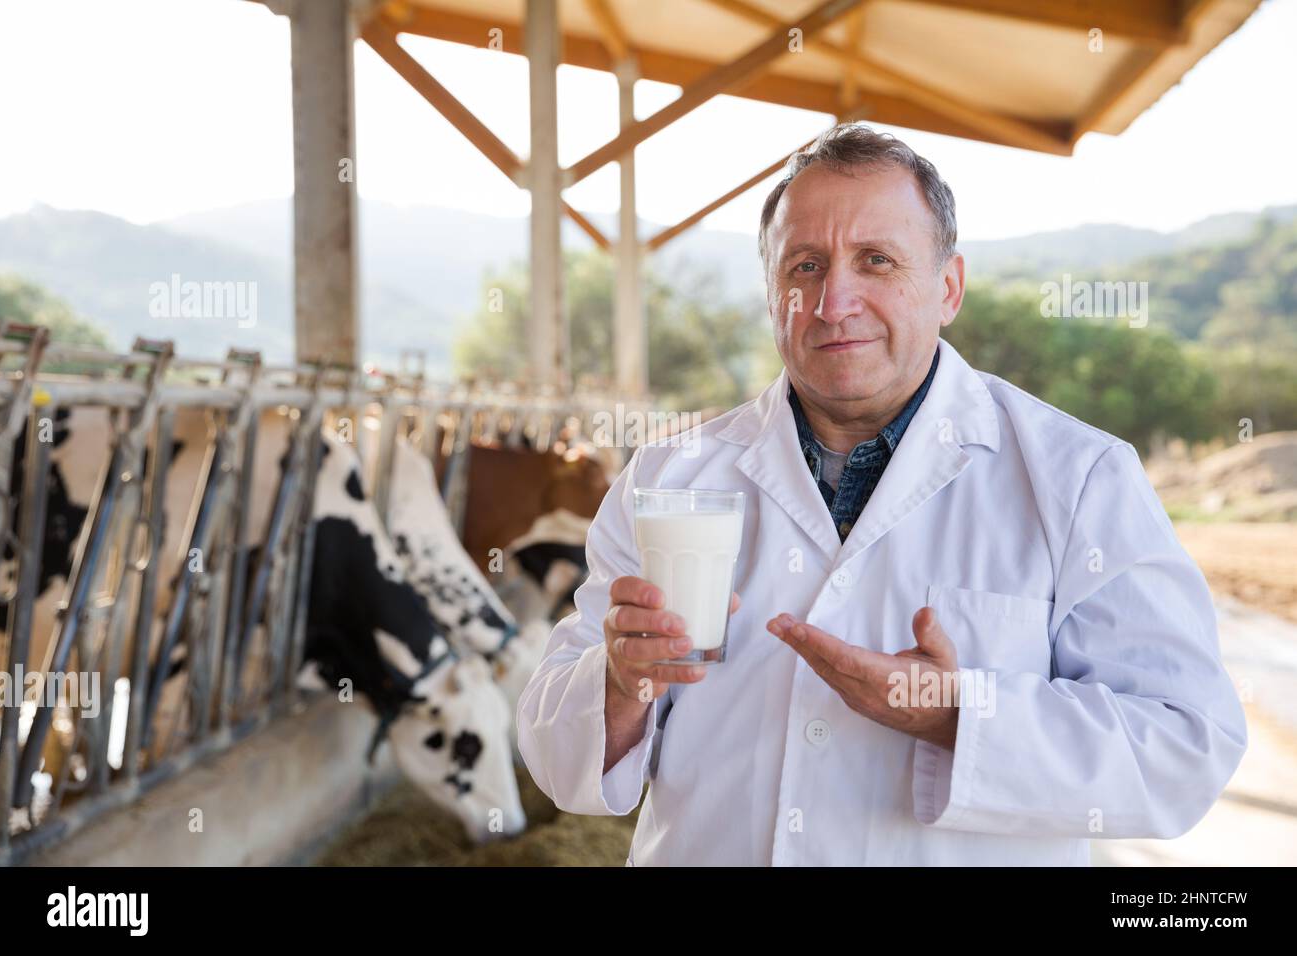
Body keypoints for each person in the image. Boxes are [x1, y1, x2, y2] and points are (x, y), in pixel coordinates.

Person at [516, 123, 1247, 866]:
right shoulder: (668, 478)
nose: (835, 301)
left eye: (877, 261)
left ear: (949, 287)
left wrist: (958, 716)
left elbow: (1185, 746)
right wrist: (618, 683)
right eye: (804, 266)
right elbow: (555, 759)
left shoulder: (1080, 478)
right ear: (772, 296)